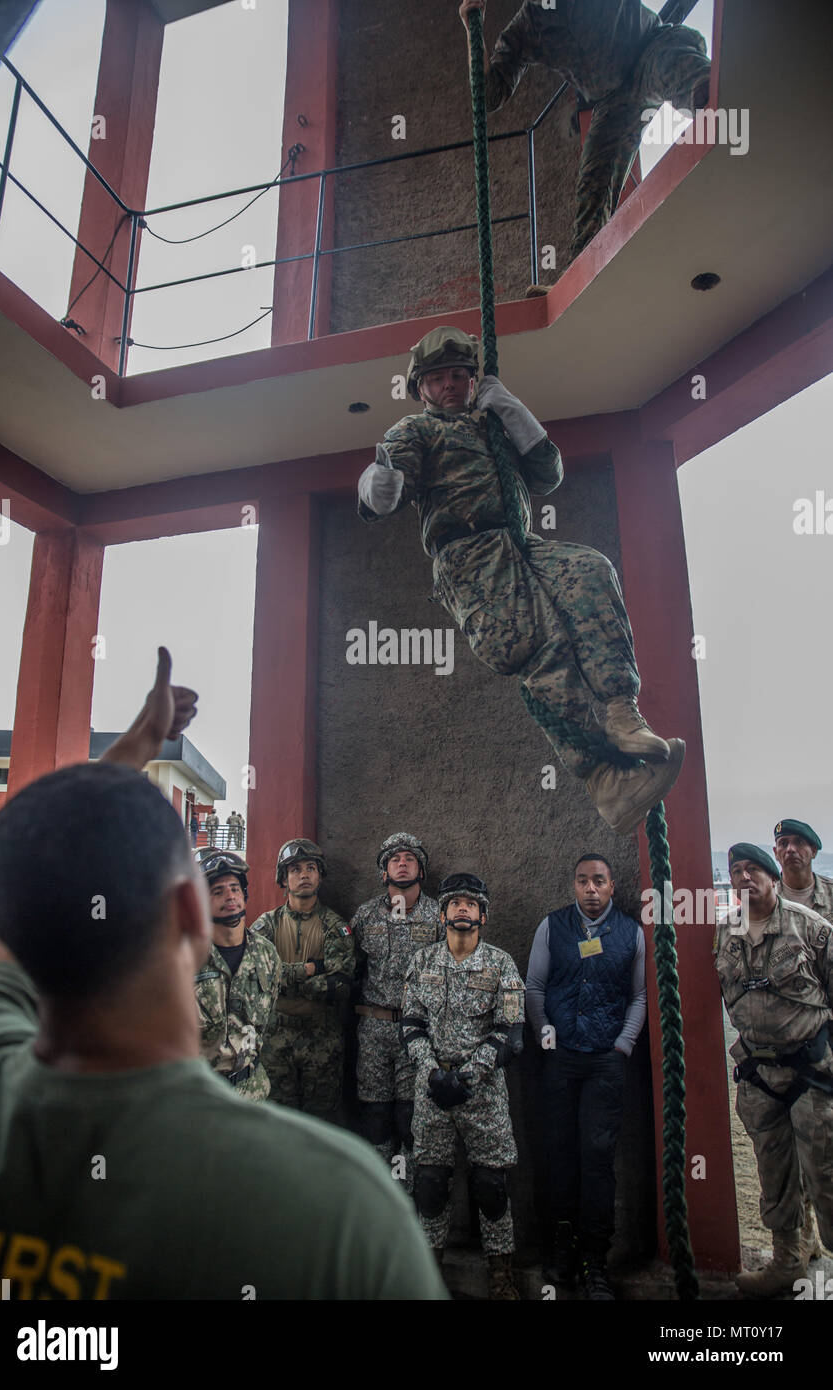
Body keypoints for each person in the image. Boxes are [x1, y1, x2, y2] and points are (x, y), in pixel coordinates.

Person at [0, 649, 446, 1299]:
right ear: (193, 909)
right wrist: (143, 739)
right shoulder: (341, 1213)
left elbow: (20, 898)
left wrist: (136, 744)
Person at [358, 326, 684, 835]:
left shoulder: (493, 424)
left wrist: (509, 409)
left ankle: (622, 713)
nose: (452, 385)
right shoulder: (417, 431)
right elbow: (382, 495)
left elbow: (548, 473)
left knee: (591, 572)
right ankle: (605, 779)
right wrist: (379, 480)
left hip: (521, 541)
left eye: (461, 376)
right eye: (439, 378)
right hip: (469, 555)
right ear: (420, 387)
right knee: (536, 645)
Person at [459, 0, 711, 262]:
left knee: (671, 65)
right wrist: (472, 28)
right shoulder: (528, 27)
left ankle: (716, 100)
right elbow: (490, 95)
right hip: (614, 102)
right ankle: (586, 267)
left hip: (652, 45)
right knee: (593, 182)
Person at [525, 853, 646, 1299]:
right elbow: (534, 987)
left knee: (597, 1156)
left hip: (606, 1061)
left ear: (613, 886)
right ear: (573, 886)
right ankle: (561, 1248)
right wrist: (545, 1033)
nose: (591, 889)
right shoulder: (551, 927)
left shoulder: (631, 933)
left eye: (599, 881)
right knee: (559, 1152)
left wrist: (624, 1043)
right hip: (560, 1057)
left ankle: (596, 1258)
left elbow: (639, 995)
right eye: (582, 881)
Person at [716, 843, 833, 1298]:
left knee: (826, 1174)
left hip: (813, 1075)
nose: (744, 878)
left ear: (772, 878)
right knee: (774, 1173)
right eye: (736, 871)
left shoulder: (812, 930)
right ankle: (788, 1261)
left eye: (753, 870)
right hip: (760, 1078)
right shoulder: (724, 934)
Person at [400, 872, 525, 1299]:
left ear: (483, 915)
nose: (462, 909)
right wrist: (433, 1072)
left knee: (491, 1187)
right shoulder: (422, 962)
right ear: (442, 914)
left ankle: (502, 1273)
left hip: (484, 1093)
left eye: (471, 904)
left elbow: (510, 1032)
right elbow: (411, 1024)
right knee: (430, 1184)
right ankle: (428, 1270)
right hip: (431, 1088)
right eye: (454, 903)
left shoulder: (501, 964)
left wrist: (469, 1077)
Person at [351, 833, 442, 1175]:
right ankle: (380, 1195)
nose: (402, 864)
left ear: (421, 868)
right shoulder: (365, 916)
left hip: (417, 1031)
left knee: (410, 1118)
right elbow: (351, 969)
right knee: (375, 1118)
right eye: (394, 859)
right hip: (373, 1031)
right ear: (384, 871)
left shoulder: (438, 916)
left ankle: (410, 1200)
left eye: (409, 858)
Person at [255, 840, 355, 1122]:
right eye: (295, 869)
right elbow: (259, 977)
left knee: (320, 1123)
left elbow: (340, 986)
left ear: (320, 875)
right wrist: (311, 969)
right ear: (284, 878)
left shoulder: (336, 927)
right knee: (277, 1120)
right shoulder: (266, 925)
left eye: (311, 868)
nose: (304, 875)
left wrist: (284, 977)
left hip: (322, 1037)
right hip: (276, 1038)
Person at [773, 818, 833, 1260]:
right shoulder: (763, 898)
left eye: (797, 843)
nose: (789, 849)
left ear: (813, 850)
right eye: (782, 843)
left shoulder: (831, 896)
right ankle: (804, 1240)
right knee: (795, 1143)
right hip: (789, 1038)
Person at [193, 847, 282, 1101]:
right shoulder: (181, 958)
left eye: (234, 888)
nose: (229, 896)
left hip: (251, 1092)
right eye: (217, 891)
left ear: (244, 894)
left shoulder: (266, 954)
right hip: (198, 1097)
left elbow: (267, 1023)